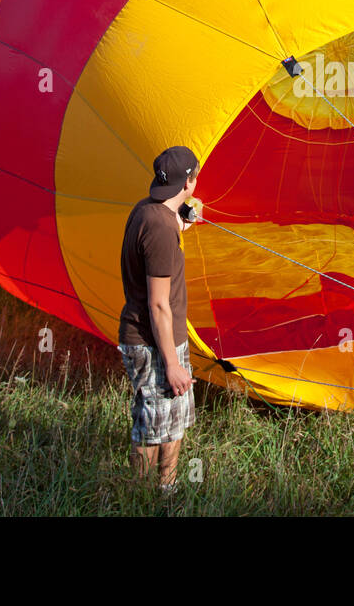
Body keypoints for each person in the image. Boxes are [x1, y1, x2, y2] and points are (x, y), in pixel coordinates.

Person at [118, 145, 201, 491]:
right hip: (154, 342)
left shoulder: (148, 211)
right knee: (151, 428)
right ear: (188, 184)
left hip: (164, 339)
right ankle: (136, 497)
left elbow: (157, 242)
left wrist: (182, 223)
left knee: (173, 421)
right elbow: (158, 305)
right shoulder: (161, 230)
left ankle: (167, 489)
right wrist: (171, 364)